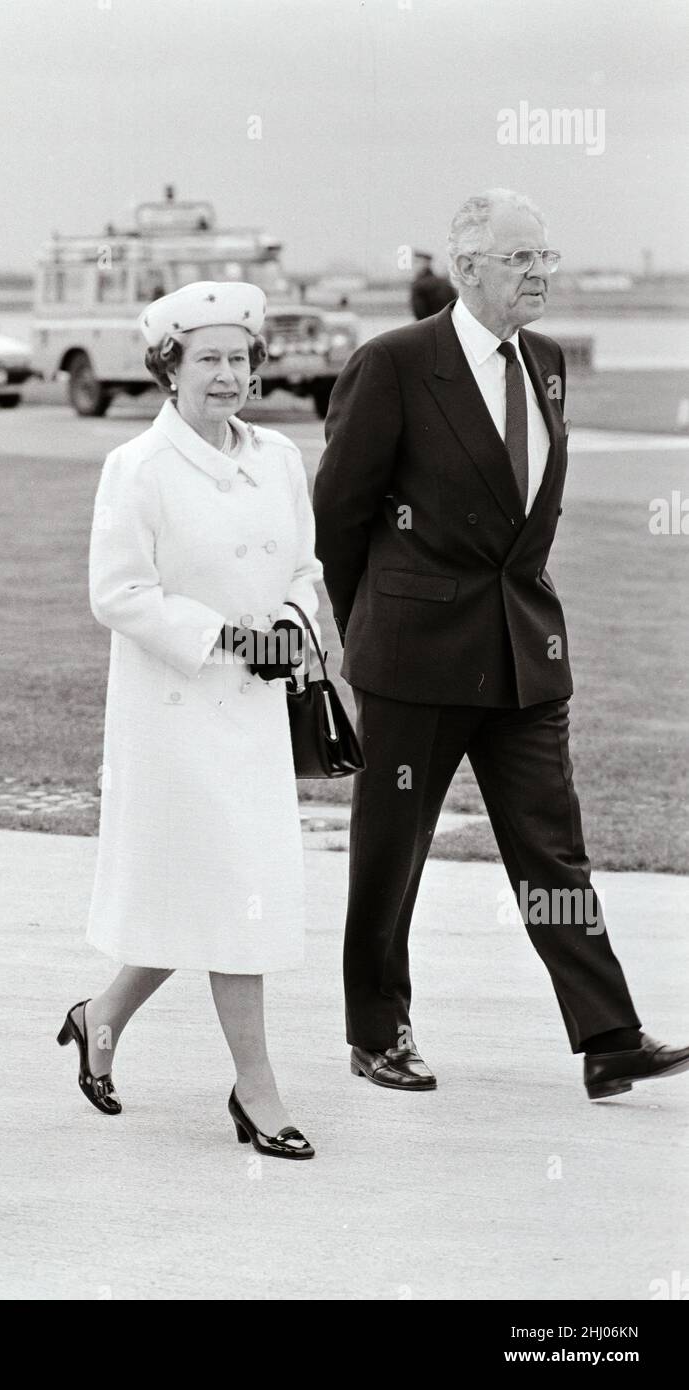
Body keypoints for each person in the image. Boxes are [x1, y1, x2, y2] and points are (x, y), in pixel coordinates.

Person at [313, 188, 689, 1101]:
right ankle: (376, 1031)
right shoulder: (395, 364)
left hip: (523, 650)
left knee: (551, 852)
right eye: (521, 259)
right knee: (392, 851)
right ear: (467, 266)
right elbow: (336, 517)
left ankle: (606, 1036)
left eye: (544, 258)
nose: (539, 274)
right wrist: (375, 626)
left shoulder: (547, 362)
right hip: (413, 657)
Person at [59, 281, 321, 1159]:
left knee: (206, 892)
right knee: (228, 892)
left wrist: (289, 625)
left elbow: (304, 568)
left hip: (255, 715)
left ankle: (97, 1017)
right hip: (172, 716)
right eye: (206, 358)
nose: (227, 374)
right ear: (167, 369)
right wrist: (225, 639)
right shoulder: (137, 468)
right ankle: (257, 1091)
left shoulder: (280, 457)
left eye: (239, 357)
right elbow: (118, 594)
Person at [410, 250, 455, 320]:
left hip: (427, 325)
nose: (414, 266)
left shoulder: (418, 285)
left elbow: (419, 312)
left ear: (425, 263)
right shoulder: (444, 282)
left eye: (416, 262)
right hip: (446, 323)